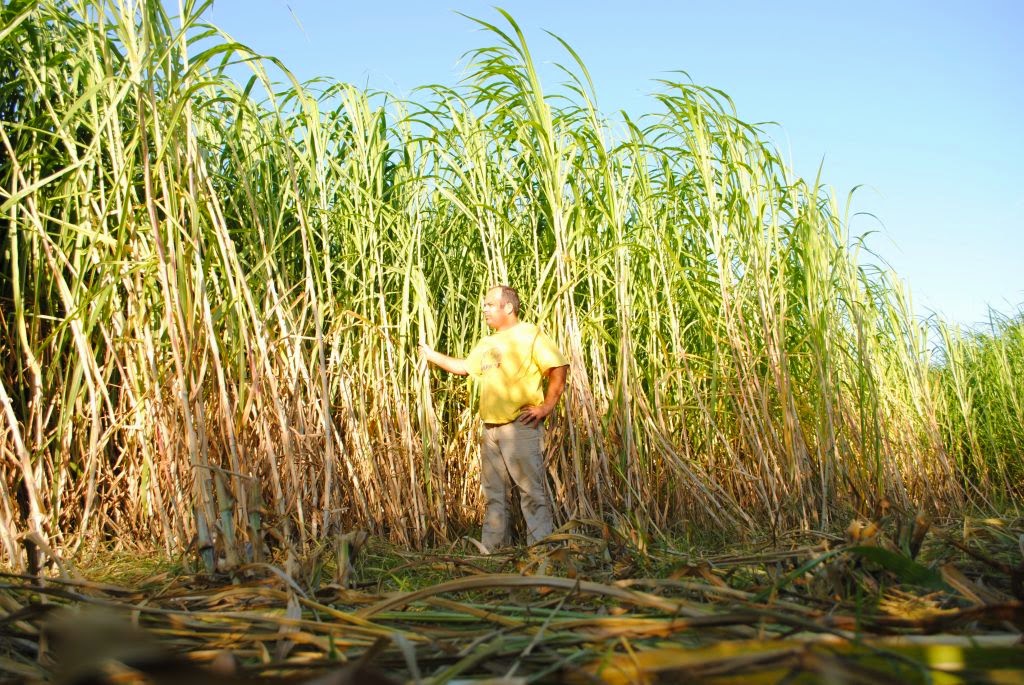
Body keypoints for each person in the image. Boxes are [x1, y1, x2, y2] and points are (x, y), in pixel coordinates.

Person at [419, 285, 569, 552]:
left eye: (490, 304)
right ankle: (493, 553)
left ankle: (542, 553)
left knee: (531, 493)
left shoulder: (528, 334)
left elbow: (558, 366)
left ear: (508, 308)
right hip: (490, 430)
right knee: (494, 496)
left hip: (520, 427)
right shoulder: (487, 343)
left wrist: (546, 407)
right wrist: (432, 356)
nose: (484, 309)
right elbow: (464, 367)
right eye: (485, 304)